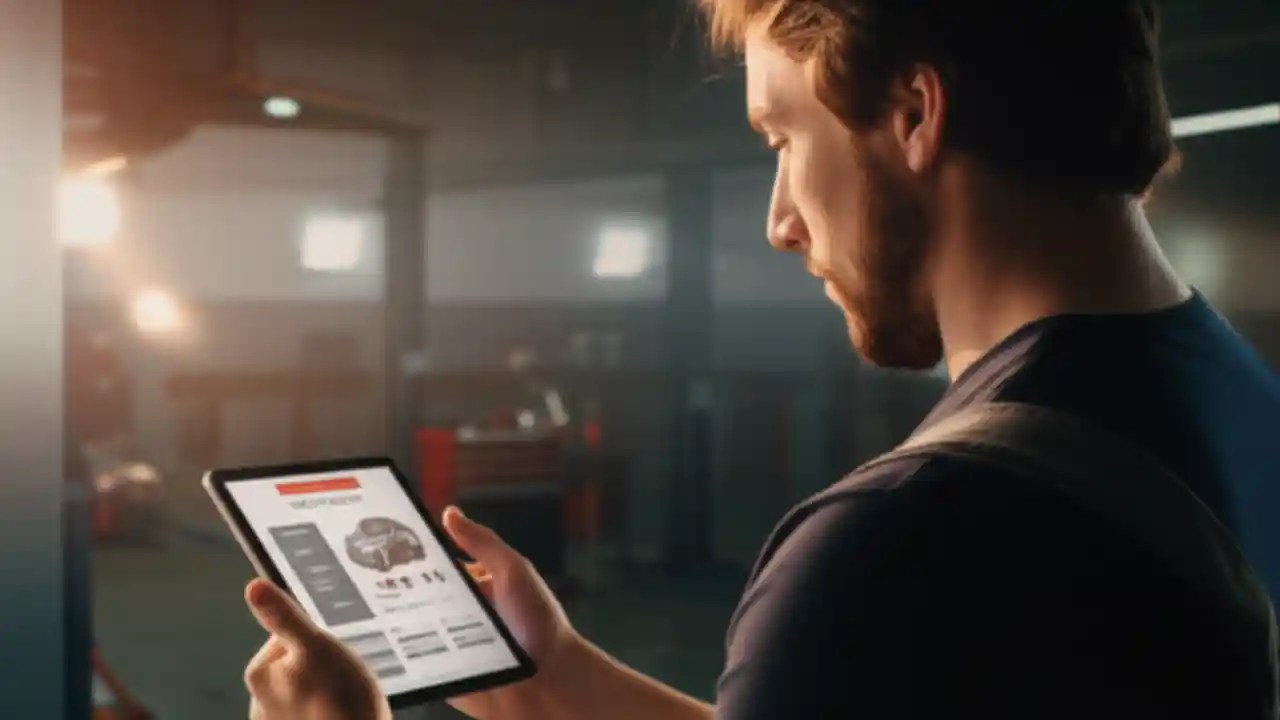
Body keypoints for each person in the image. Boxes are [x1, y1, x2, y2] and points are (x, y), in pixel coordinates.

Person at [239, 1, 1280, 718]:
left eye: (781, 137)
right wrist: (547, 681)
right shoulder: (1235, 403)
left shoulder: (895, 545)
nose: (780, 221)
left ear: (914, 113)